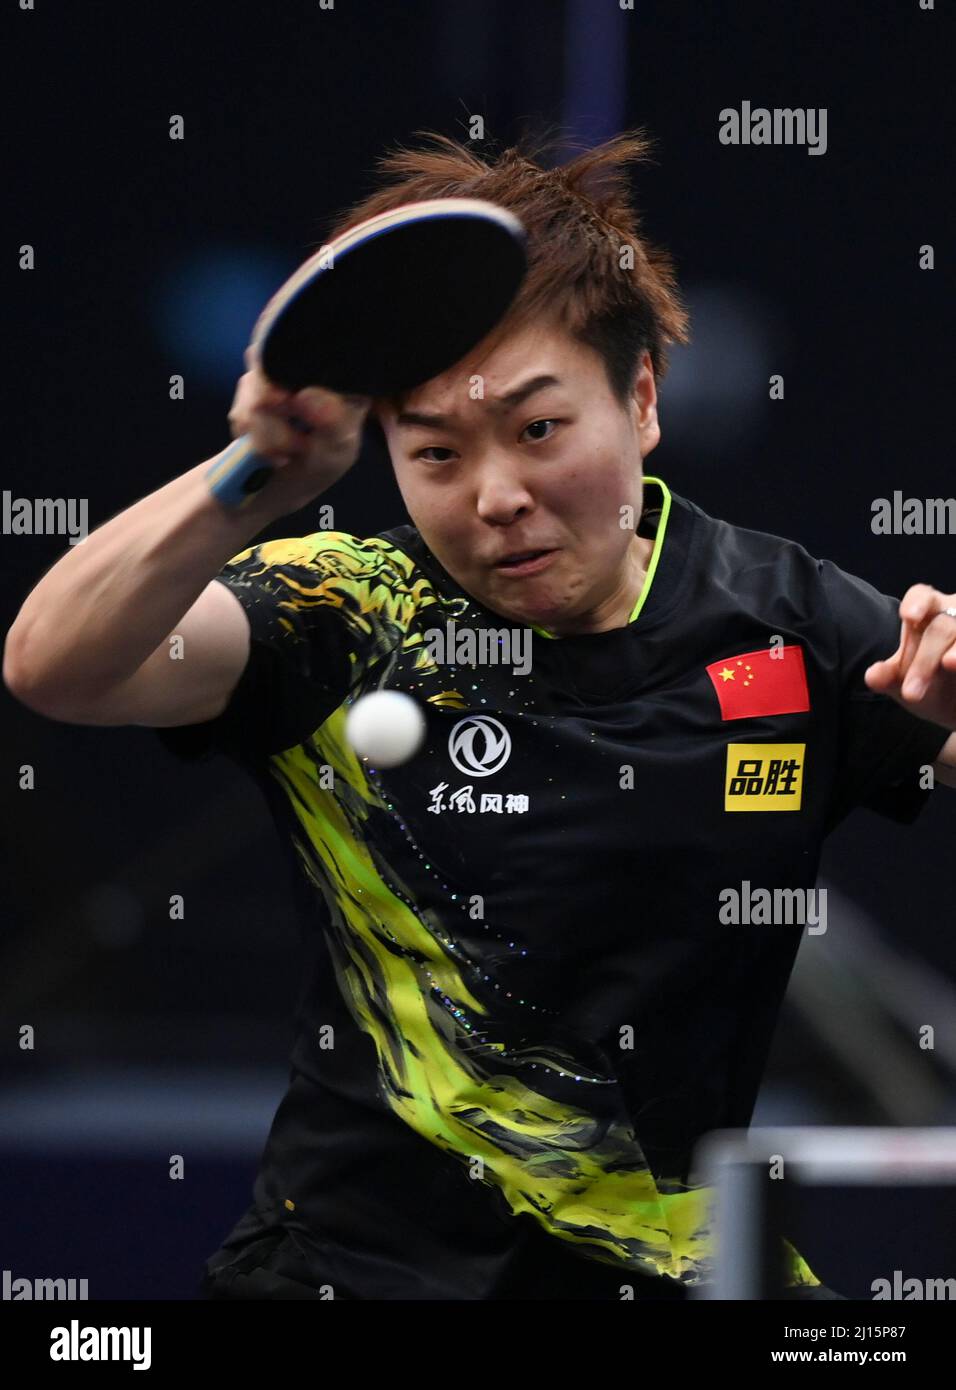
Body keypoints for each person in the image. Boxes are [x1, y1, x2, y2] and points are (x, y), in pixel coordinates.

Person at [5, 131, 954, 1301]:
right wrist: (250, 476)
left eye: (538, 429)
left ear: (642, 401)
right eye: (437, 451)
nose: (495, 496)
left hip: (664, 1268)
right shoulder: (348, 613)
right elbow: (57, 665)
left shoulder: (785, 622)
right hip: (345, 1276)